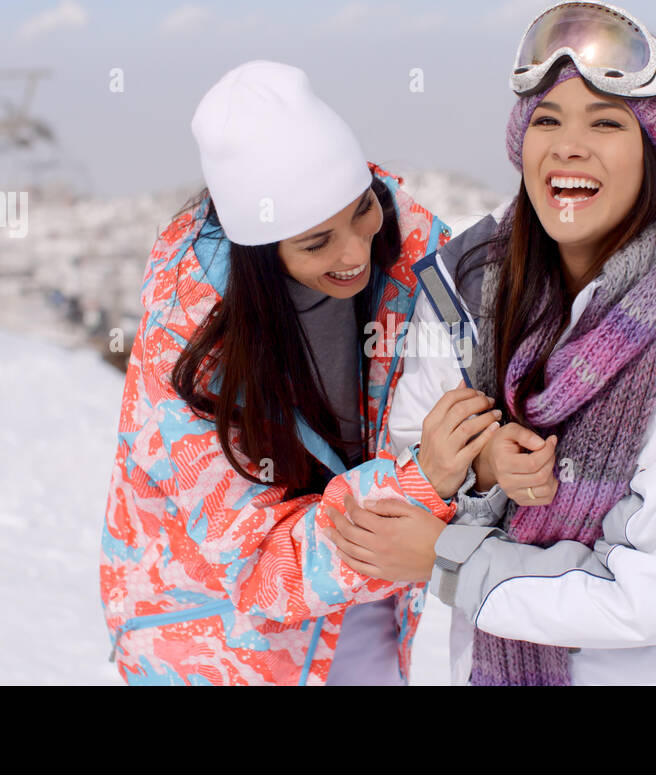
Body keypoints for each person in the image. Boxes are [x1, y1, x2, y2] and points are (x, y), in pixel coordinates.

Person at [325, 2, 656, 685]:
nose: (568, 145)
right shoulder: (467, 288)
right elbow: (407, 449)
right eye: (547, 120)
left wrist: (449, 561)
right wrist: (478, 459)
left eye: (606, 122)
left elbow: (650, 594)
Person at [99, 60, 496, 685]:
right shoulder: (191, 351)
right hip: (219, 641)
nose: (354, 252)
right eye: (316, 243)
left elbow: (479, 371)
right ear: (261, 252)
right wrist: (426, 479)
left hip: (366, 605)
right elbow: (261, 573)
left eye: (361, 210)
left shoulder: (416, 253)